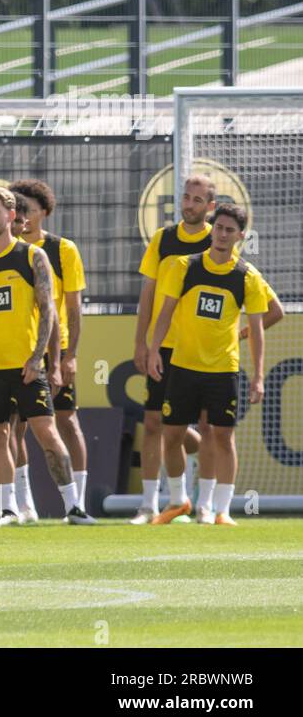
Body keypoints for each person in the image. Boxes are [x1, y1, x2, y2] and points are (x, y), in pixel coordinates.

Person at [0, 188, 94, 526]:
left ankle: (73, 506)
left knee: (47, 432)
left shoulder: (33, 256)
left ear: (10, 215)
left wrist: (38, 359)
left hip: (26, 366)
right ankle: (8, 509)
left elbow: (49, 311)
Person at [147, 203, 268, 527]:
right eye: (219, 228)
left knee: (222, 436)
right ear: (211, 230)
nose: (222, 235)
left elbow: (257, 330)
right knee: (172, 434)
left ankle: (220, 509)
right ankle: (178, 501)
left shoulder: (248, 277)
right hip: (183, 366)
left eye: (230, 230)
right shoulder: (185, 266)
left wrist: (258, 376)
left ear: (240, 236)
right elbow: (165, 312)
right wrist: (154, 350)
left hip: (223, 369)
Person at [131, 175, 217, 524]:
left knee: (208, 428)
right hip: (163, 347)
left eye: (197, 200)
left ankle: (205, 504)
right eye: (186, 197)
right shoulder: (163, 239)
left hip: (200, 349)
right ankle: (149, 505)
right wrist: (141, 342)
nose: (189, 205)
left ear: (210, 206)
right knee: (154, 423)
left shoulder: (217, 240)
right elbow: (148, 293)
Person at [7, 179, 89, 520]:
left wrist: (69, 356)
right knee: (13, 426)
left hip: (56, 347)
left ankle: (78, 502)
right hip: (16, 349)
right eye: (16, 208)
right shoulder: (2, 249)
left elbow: (73, 306)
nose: (21, 215)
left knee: (66, 421)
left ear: (43, 211)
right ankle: (23, 504)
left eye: (26, 208)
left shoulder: (61, 249)